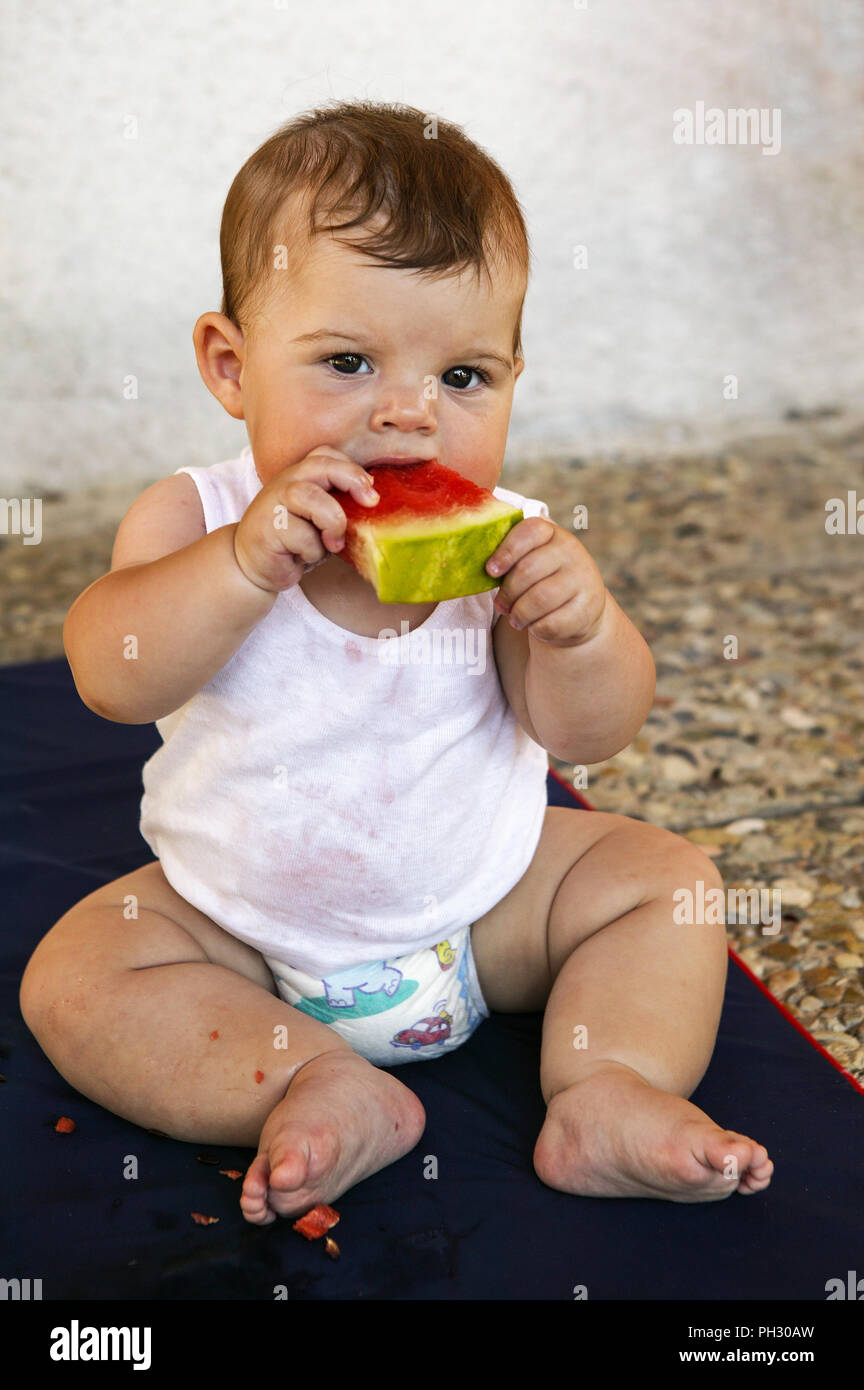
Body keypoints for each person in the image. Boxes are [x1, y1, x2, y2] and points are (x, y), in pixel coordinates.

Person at [20, 100, 772, 1226]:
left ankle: (608, 1085)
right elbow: (112, 676)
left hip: (485, 913)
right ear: (231, 366)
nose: (410, 417)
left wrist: (583, 631)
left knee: (669, 880)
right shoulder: (195, 516)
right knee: (76, 976)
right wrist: (240, 566)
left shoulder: (505, 537)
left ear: (515, 377)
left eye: (464, 378)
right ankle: (316, 1082)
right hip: (239, 932)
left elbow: (588, 735)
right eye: (348, 361)